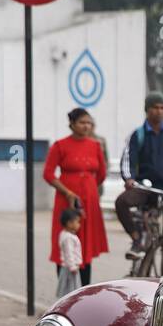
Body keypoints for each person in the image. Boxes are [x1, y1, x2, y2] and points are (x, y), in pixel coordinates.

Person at [116, 92, 163, 259]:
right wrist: (129, 179)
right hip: (145, 187)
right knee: (122, 202)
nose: (159, 111)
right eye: (155, 107)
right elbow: (128, 159)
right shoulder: (137, 134)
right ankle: (137, 238)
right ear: (147, 110)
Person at [43, 108, 107, 287]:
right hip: (66, 201)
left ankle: (84, 290)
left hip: (89, 201)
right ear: (71, 124)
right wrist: (67, 191)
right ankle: (65, 289)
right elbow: (48, 174)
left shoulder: (95, 146)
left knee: (85, 245)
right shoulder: (60, 145)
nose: (86, 126)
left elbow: (101, 174)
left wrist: (90, 189)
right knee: (64, 242)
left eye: (89, 122)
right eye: (82, 122)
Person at [55, 208, 84, 299]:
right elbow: (69, 253)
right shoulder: (68, 238)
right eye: (77, 222)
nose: (79, 224)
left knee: (70, 288)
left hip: (69, 267)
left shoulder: (65, 234)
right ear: (69, 223)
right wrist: (72, 266)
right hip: (70, 269)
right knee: (70, 289)